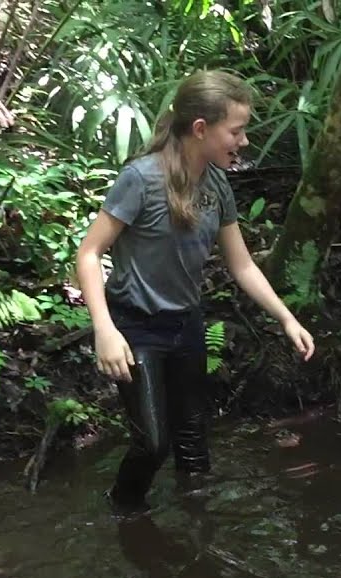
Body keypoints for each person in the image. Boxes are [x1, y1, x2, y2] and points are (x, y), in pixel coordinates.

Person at [76, 70, 315, 515]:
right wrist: (104, 330)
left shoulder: (217, 184)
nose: (244, 141)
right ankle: (124, 513)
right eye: (236, 131)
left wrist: (287, 318)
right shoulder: (141, 179)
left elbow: (241, 264)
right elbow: (89, 254)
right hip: (135, 328)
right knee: (152, 444)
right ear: (201, 128)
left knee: (193, 442)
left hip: (186, 325)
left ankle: (196, 528)